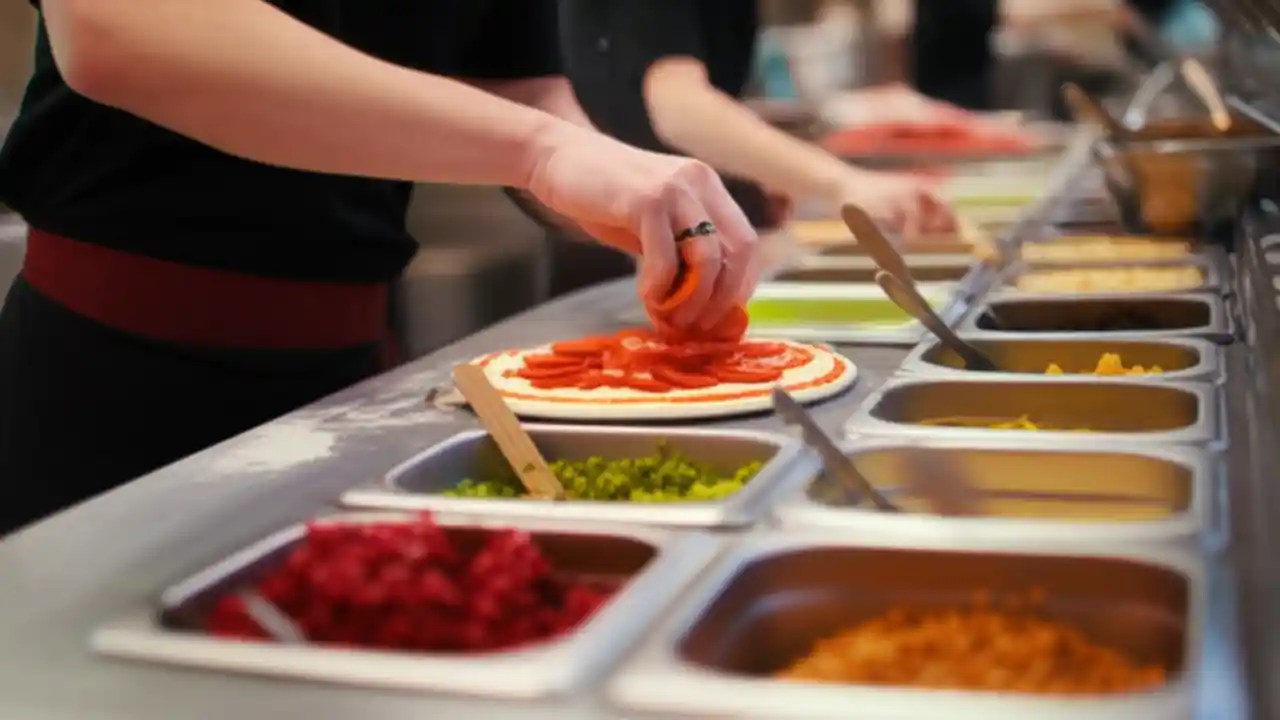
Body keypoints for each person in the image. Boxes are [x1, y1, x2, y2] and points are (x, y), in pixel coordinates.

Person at [0, 0, 760, 535]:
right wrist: (545, 152)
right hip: (112, 383)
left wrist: (621, 192)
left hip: (350, 384)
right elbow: (121, 26)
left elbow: (517, 83)